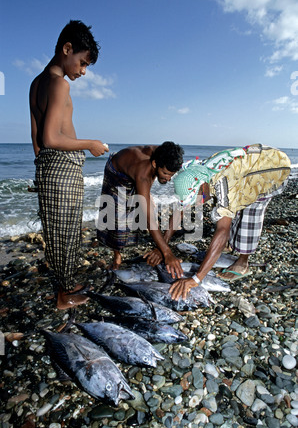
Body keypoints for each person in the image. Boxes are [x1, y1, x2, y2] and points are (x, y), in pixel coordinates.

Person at [29, 20, 109, 310]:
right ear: (67, 49)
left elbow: (36, 141)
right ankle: (64, 296)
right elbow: (51, 138)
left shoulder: (37, 82)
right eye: (83, 63)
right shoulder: (59, 84)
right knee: (66, 232)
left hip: (49, 167)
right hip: (61, 167)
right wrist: (90, 144)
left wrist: (45, 169)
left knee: (59, 231)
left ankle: (66, 283)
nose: (83, 72)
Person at [165, 144, 291, 300]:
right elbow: (180, 209)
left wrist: (196, 279)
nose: (197, 203)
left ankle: (243, 262)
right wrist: (163, 247)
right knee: (230, 206)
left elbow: (222, 230)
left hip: (274, 169)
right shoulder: (198, 173)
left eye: (196, 198)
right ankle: (230, 245)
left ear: (203, 185)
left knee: (249, 212)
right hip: (249, 168)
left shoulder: (224, 185)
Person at [96, 142, 184, 275]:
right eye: (165, 173)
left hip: (137, 170)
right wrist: (167, 253)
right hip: (117, 172)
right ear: (155, 164)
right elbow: (149, 219)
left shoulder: (163, 154)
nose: (168, 179)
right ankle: (117, 255)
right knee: (117, 218)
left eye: (171, 175)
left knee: (143, 206)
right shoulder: (143, 174)